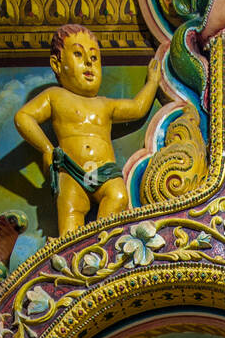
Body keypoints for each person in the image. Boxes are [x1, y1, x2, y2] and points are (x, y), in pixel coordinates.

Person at [14, 23, 160, 235]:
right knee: (70, 224)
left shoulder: (105, 105)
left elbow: (137, 108)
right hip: (71, 171)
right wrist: (46, 148)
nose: (88, 64)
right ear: (57, 64)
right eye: (78, 55)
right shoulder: (55, 96)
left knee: (118, 196)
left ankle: (99, 246)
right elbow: (23, 117)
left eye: (94, 58)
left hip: (104, 171)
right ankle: (73, 259)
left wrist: (152, 83)